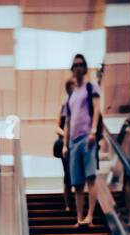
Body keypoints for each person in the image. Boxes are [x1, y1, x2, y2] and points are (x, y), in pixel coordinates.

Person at [62, 54, 103, 228]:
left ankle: (90, 216)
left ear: (85, 68)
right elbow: (67, 122)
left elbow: (96, 109)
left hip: (87, 138)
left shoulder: (90, 87)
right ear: (72, 69)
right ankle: (79, 217)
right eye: (75, 65)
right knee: (77, 183)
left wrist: (93, 131)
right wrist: (65, 145)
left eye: (81, 64)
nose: (78, 68)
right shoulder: (70, 96)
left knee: (90, 177)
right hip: (73, 142)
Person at [55, 78, 76, 212]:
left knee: (77, 175)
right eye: (69, 88)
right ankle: (68, 205)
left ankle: (76, 204)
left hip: (76, 142)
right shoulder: (64, 106)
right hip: (66, 145)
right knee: (67, 174)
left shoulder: (81, 105)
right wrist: (66, 135)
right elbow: (57, 127)